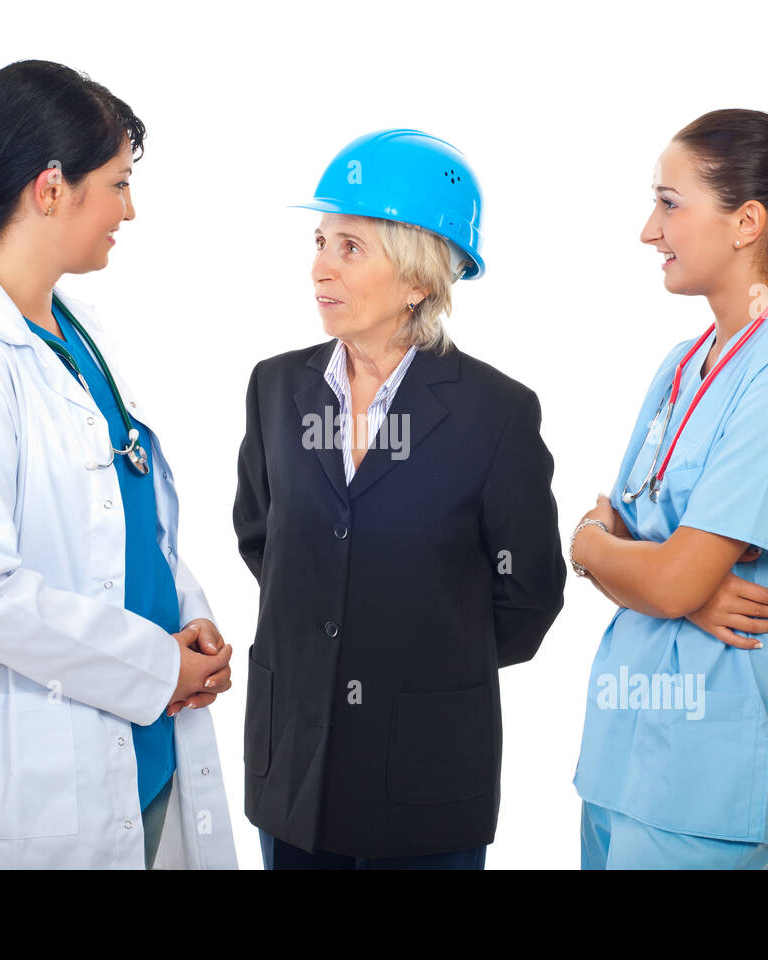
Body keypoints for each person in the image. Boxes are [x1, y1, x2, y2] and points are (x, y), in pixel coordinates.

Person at [0, 60, 236, 869]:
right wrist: (156, 664)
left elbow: (126, 510)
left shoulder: (73, 332)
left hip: (142, 752)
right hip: (35, 791)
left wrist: (182, 616)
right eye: (118, 184)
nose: (129, 209)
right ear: (50, 189)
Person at [233, 129, 566, 869]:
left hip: (427, 776)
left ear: (417, 278)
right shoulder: (276, 387)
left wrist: (417, 660)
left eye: (350, 247)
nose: (319, 266)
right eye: (319, 241)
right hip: (292, 769)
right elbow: (263, 540)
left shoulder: (496, 412)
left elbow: (531, 597)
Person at [568, 108, 768, 869]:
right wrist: (618, 555)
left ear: (746, 222)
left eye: (670, 204)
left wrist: (604, 552)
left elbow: (648, 559)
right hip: (621, 761)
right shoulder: (683, 364)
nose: (651, 230)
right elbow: (628, 544)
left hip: (707, 780)